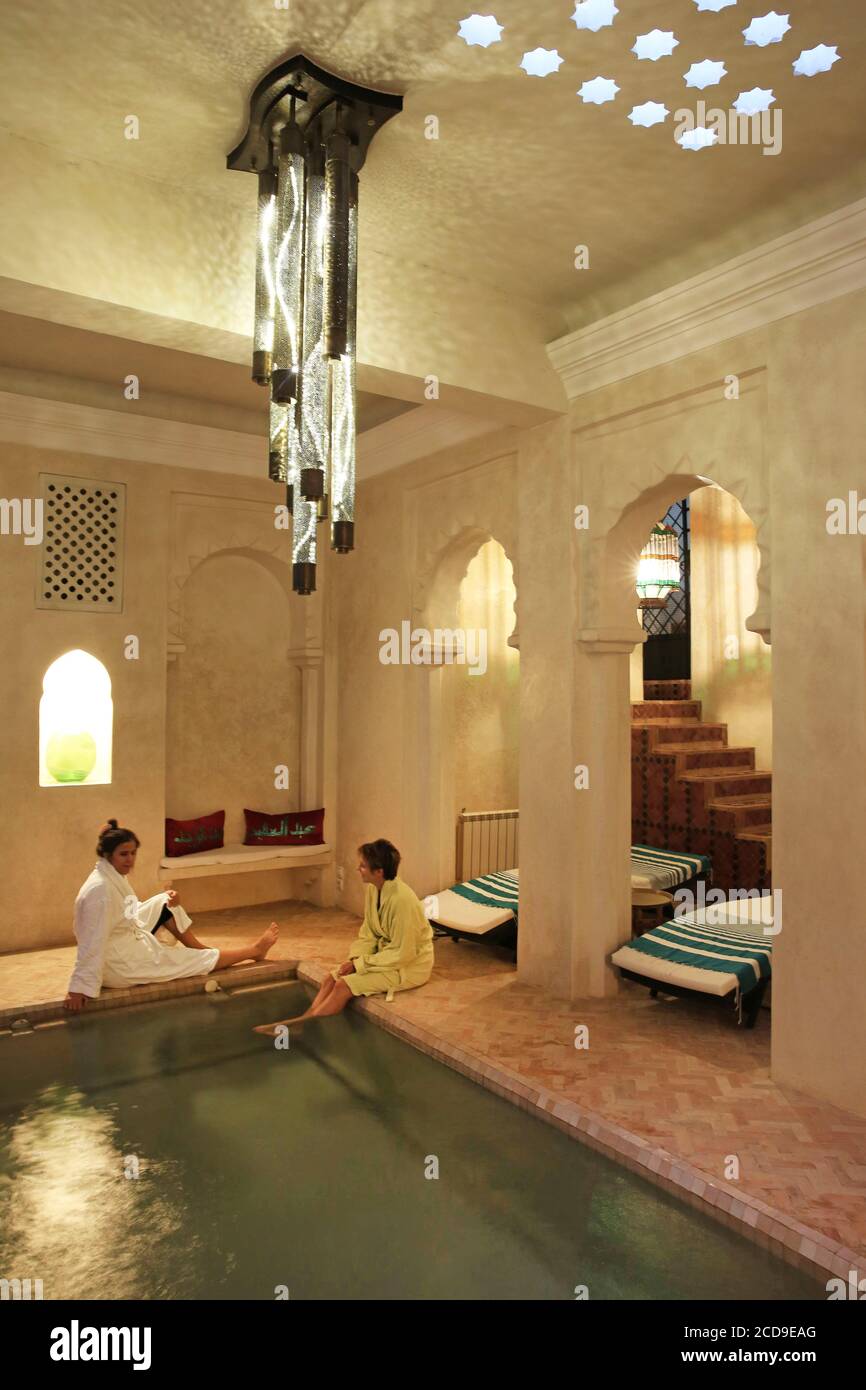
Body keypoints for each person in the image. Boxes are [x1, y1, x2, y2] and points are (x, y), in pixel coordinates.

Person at [64, 820, 279, 1010]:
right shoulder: (99, 891)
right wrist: (79, 987)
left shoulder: (111, 875)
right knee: (188, 963)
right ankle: (253, 951)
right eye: (123, 854)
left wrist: (163, 900)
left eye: (133, 853)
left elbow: (127, 912)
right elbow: (92, 940)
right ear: (108, 855)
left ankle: (199, 949)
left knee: (164, 902)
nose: (130, 860)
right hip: (120, 964)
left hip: (125, 937)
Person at [253, 838, 433, 1035]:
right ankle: (303, 1020)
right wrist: (356, 959)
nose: (358, 869)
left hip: (410, 965)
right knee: (331, 978)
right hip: (387, 957)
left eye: (363, 866)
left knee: (343, 986)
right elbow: (368, 933)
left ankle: (305, 1026)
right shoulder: (375, 890)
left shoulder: (403, 901)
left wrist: (360, 965)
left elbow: (403, 952)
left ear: (379, 872)